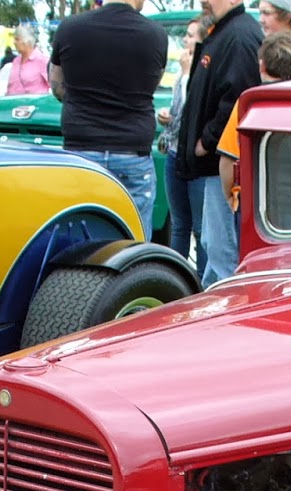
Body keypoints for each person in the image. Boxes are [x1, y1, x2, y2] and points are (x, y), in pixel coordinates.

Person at [49, 0, 166, 239]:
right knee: (133, 243)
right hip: (132, 153)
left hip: (82, 151)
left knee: (78, 241)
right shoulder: (155, 35)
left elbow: (57, 85)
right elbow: (151, 85)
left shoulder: (70, 28)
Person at [179, 0, 262, 286]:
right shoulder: (223, 32)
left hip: (224, 165)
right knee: (213, 247)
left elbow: (238, 98)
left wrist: (208, 139)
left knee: (221, 251)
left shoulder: (238, 37)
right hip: (214, 165)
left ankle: (225, 310)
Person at [217, 31, 291, 231]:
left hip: (254, 199)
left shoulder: (249, 104)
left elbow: (228, 160)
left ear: (261, 65)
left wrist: (230, 195)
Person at [159, 16, 208, 274]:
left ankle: (202, 283)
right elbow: (180, 109)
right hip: (175, 152)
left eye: (190, 35)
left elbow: (195, 108)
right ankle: (176, 279)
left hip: (196, 159)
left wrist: (188, 74)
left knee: (200, 228)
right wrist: (167, 114)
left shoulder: (201, 69)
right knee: (179, 224)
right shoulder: (181, 70)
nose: (186, 40)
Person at [5, 24, 48, 96]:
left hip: (35, 105)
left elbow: (56, 87)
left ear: (27, 41)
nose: (14, 42)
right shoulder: (16, 61)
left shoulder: (42, 60)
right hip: (13, 104)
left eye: (17, 39)